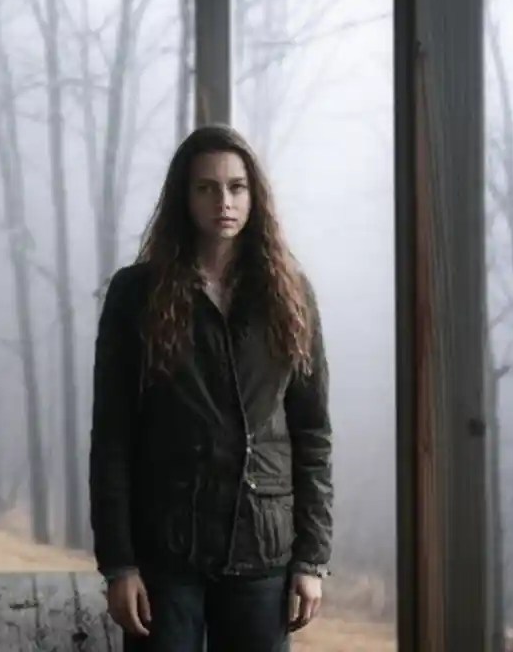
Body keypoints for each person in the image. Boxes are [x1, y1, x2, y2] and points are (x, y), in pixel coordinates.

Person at [89, 124, 333, 651]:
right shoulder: (137, 294)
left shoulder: (289, 295)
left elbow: (312, 433)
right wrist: (119, 564)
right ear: (184, 196)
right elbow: (112, 437)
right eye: (206, 187)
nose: (224, 201)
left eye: (236, 187)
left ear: (254, 196)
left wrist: (312, 558)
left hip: (260, 545)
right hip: (166, 546)